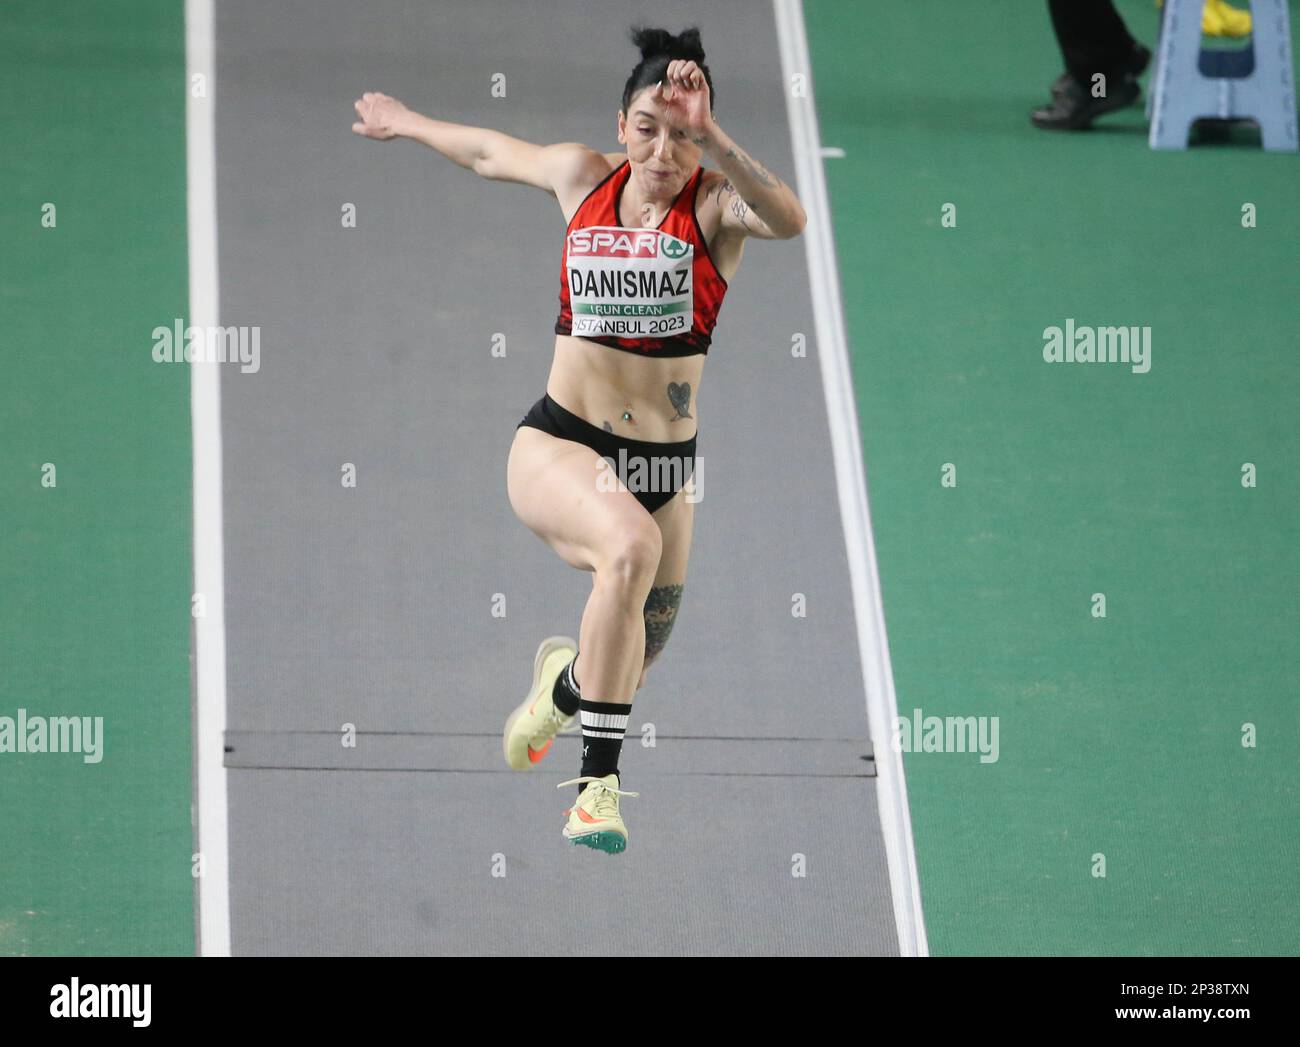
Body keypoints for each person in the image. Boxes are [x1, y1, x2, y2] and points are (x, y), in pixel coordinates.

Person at [352, 26, 807, 854]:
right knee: (625, 550)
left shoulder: (714, 207)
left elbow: (789, 217)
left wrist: (718, 139)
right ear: (621, 122)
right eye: (647, 125)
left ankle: (560, 692)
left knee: (637, 651)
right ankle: (597, 790)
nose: (663, 148)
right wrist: (410, 121)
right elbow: (491, 151)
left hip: (665, 463)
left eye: (681, 132)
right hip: (561, 443)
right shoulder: (582, 178)